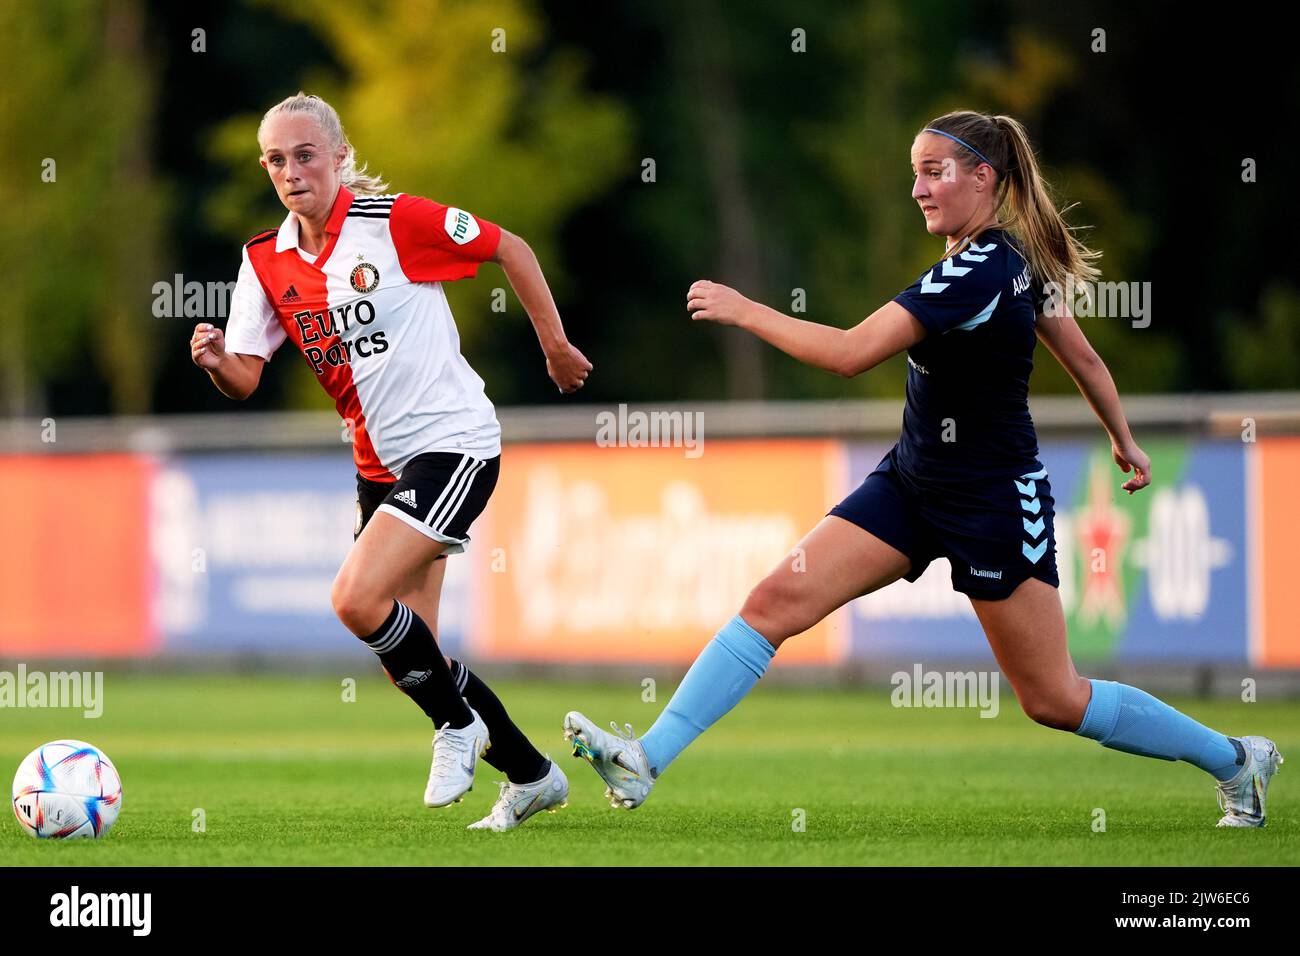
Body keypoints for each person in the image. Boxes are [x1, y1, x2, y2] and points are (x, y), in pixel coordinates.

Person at [564, 110, 1282, 828]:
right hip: (911, 484)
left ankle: (1236, 759)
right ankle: (645, 759)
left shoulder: (977, 271)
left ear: (984, 177)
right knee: (774, 603)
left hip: (994, 501)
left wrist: (748, 310)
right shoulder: (1007, 260)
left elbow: (849, 354)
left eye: (934, 171)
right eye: (915, 171)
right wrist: (1124, 439)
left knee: (1055, 699)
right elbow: (1085, 358)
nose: (917, 189)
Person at [191, 92, 591, 831]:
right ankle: (532, 775)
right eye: (276, 160)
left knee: (353, 600)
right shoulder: (265, 260)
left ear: (339, 157)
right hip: (380, 468)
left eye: (305, 154)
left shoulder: (395, 223)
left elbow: (511, 247)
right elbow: (246, 377)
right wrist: (217, 360)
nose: (291, 171)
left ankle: (459, 729)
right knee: (413, 655)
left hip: (455, 445)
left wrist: (555, 345)